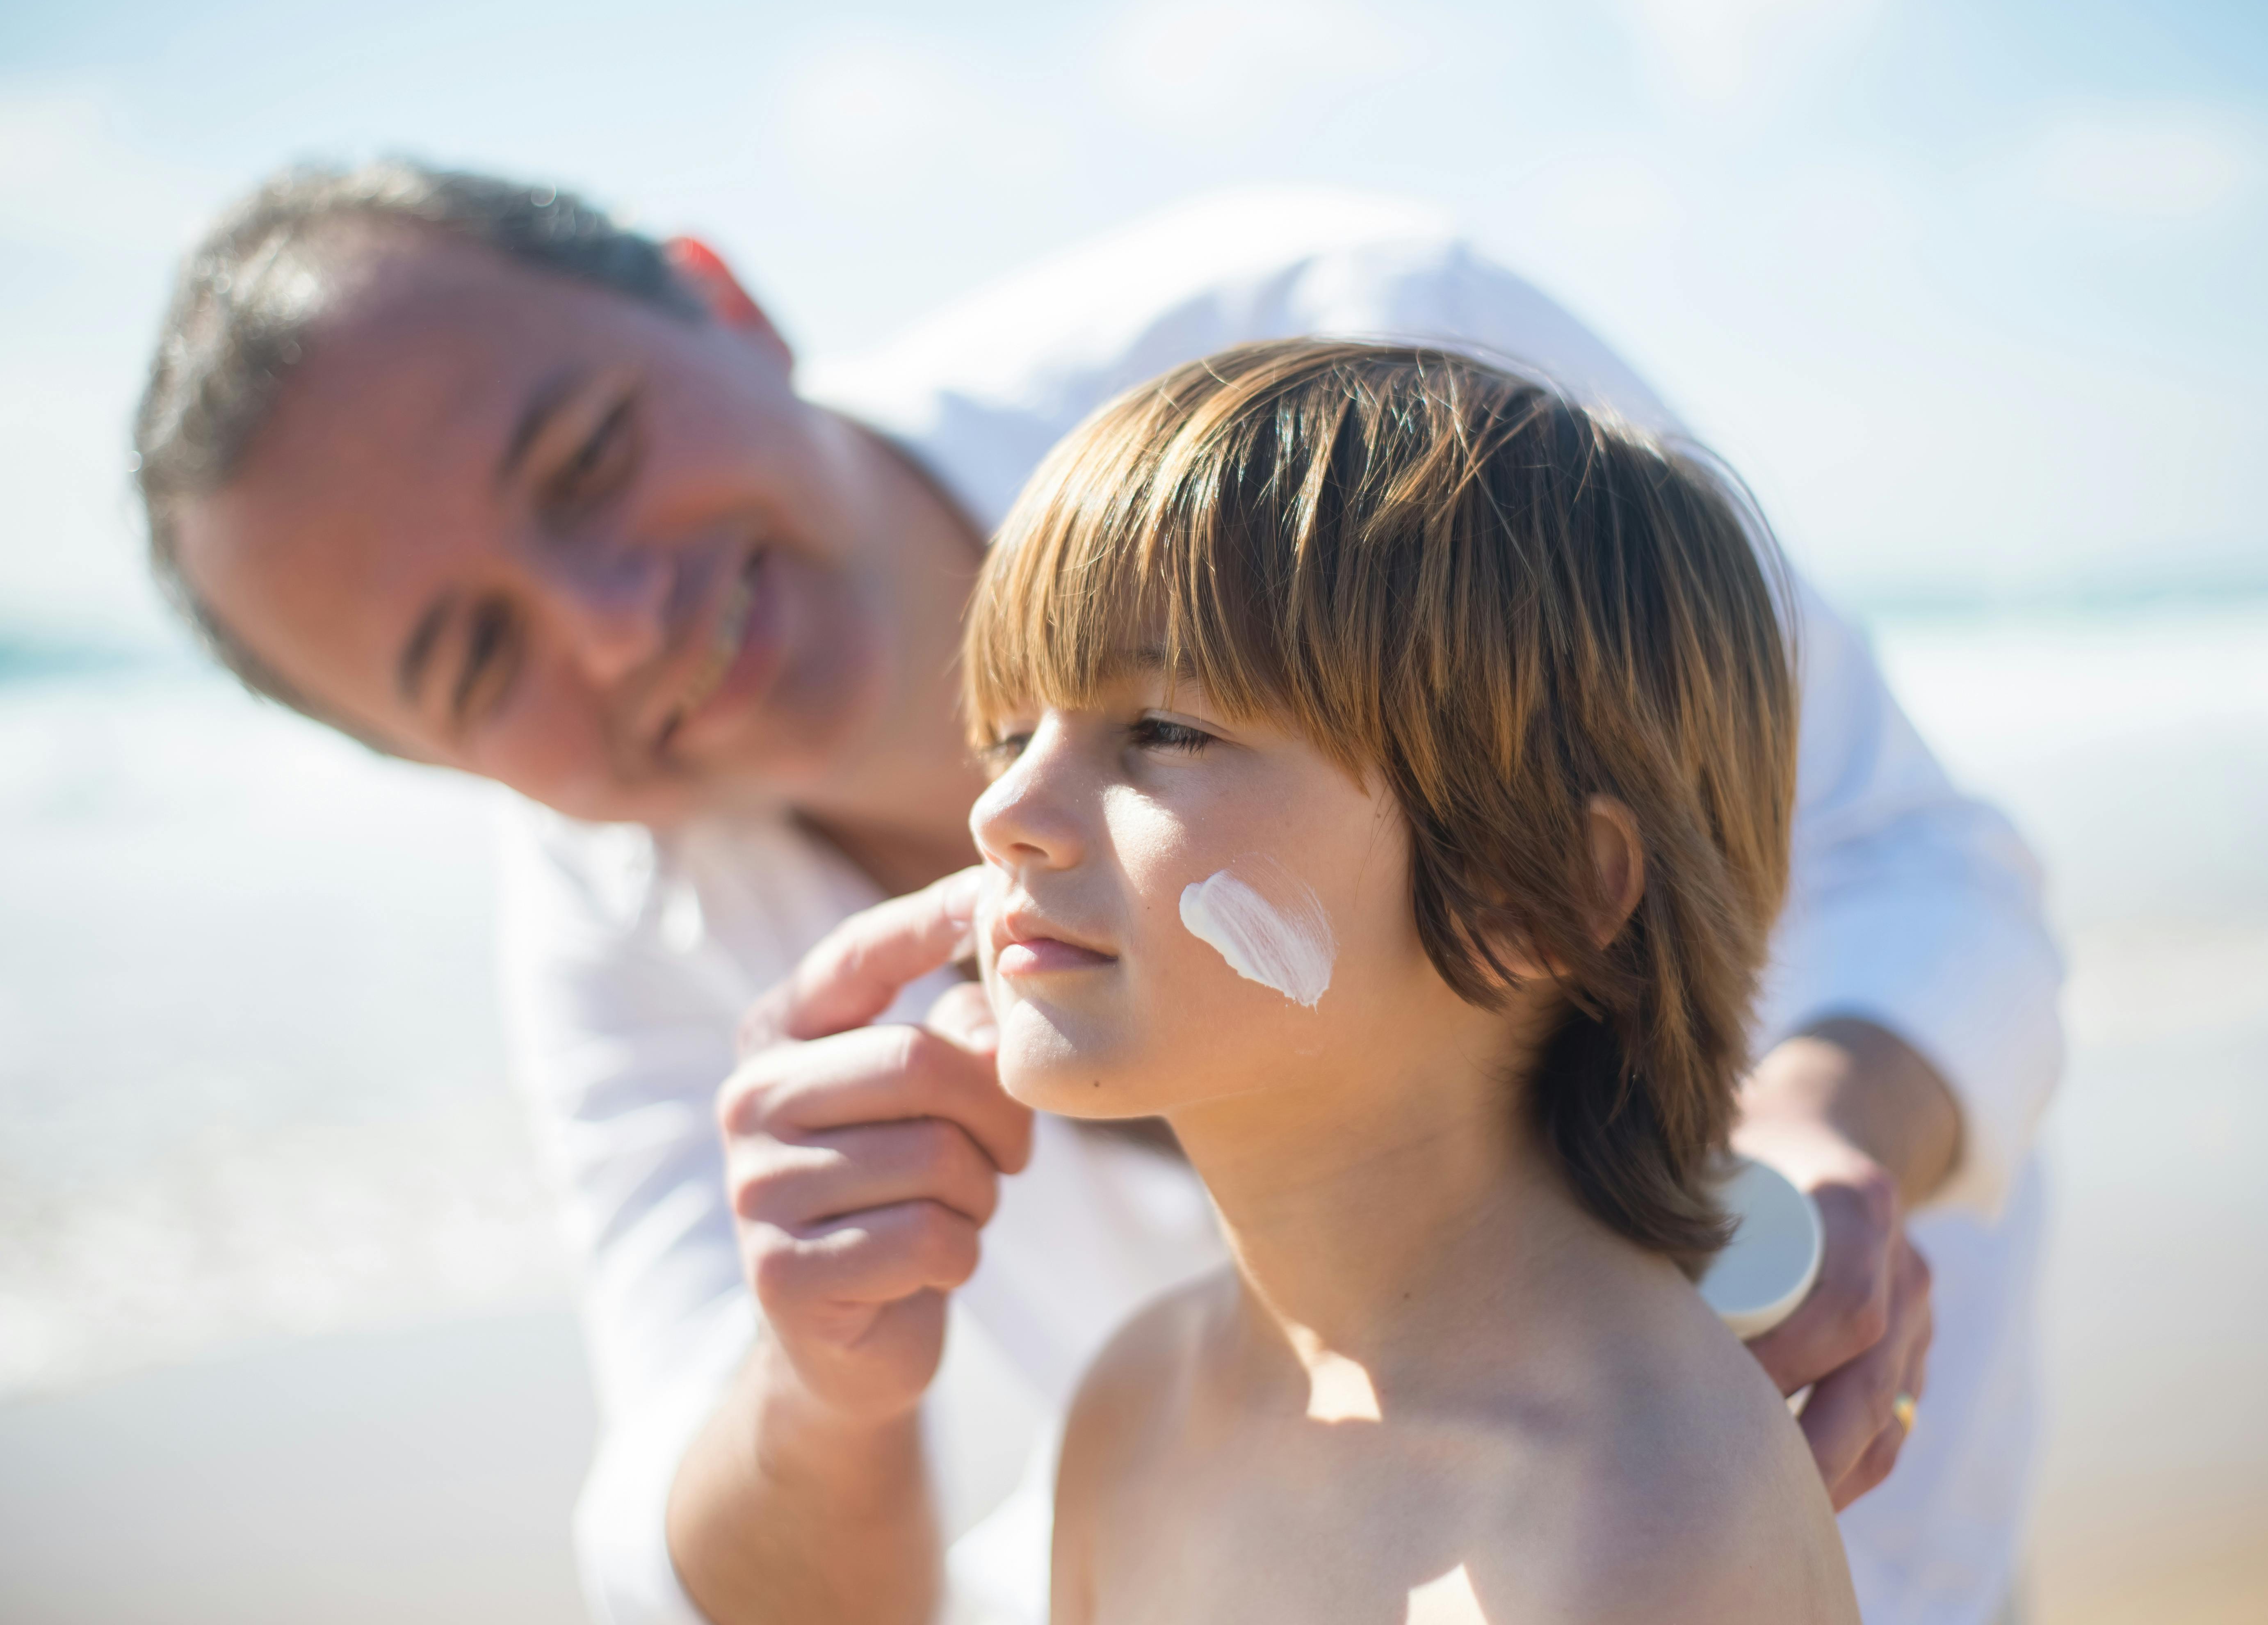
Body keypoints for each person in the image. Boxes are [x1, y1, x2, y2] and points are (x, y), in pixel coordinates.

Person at [132, 160, 2061, 1625]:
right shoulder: (1123, 1418)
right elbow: (706, 1551)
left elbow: (1909, 860)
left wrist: (1818, 1144)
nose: (618, 621)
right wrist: (821, 1384)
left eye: (588, 457)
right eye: (477, 659)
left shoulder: (1395, 388)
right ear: (435, 765)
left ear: (722, 299)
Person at [966, 337, 1858, 1623]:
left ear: (1531, 890)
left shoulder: (1639, 1523)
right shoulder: (1135, 1405)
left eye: (1165, 731)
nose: (1004, 810)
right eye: (1008, 735)